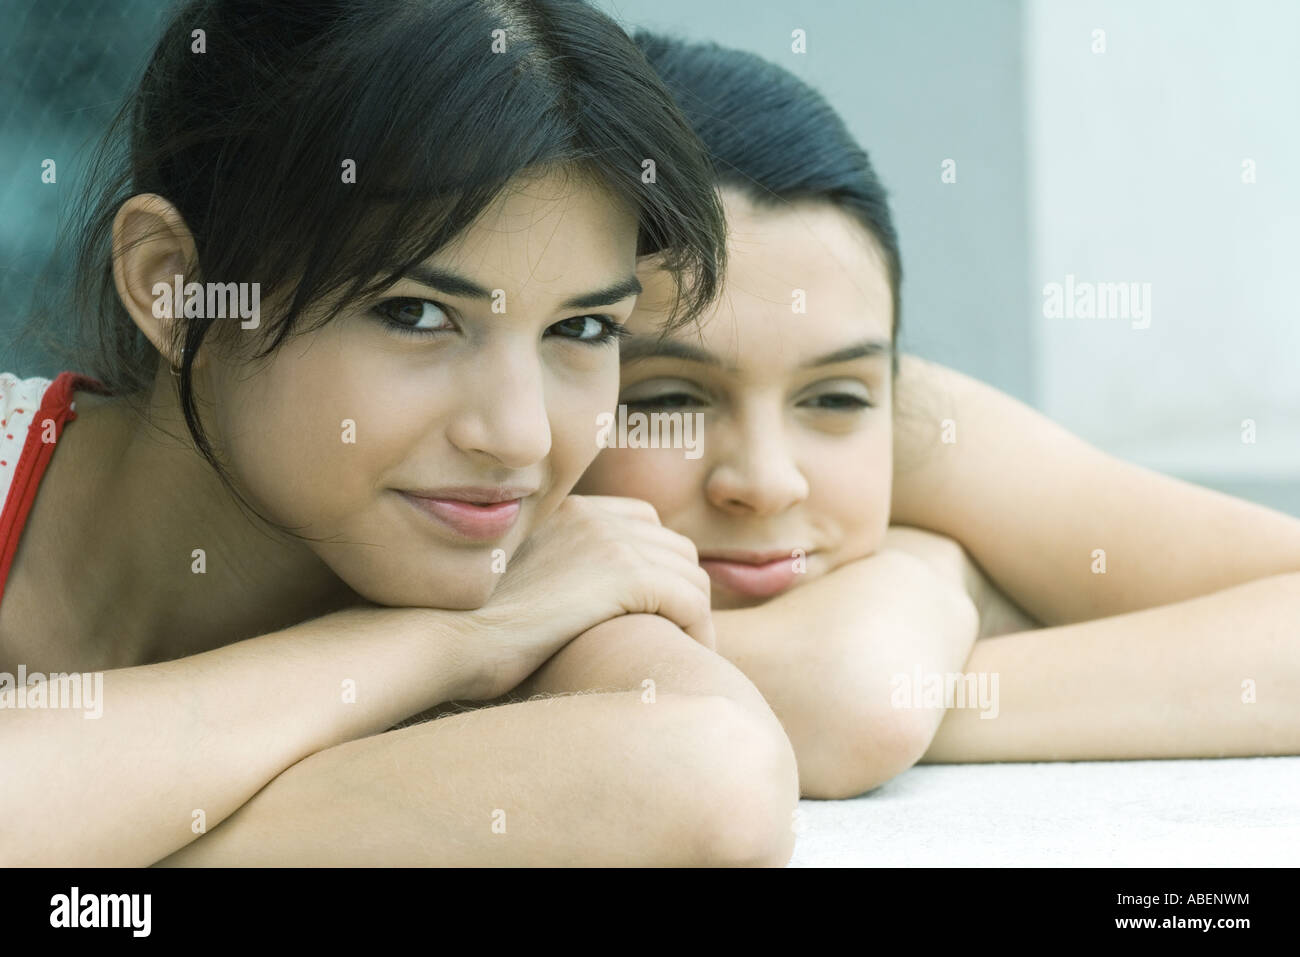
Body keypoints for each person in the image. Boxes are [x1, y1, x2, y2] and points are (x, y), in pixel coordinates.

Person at [0, 1, 800, 867]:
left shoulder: (543, 567)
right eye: (417, 314)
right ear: (175, 286)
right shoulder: (505, 606)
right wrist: (447, 647)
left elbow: (716, 772)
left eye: (584, 330)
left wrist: (96, 826)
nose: (520, 435)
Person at [572, 33, 1300, 798]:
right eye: (667, 400)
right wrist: (925, 597)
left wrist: (924, 657)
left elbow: (858, 698)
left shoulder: (918, 427)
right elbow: (850, 695)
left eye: (835, 396)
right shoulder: (474, 464)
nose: (767, 481)